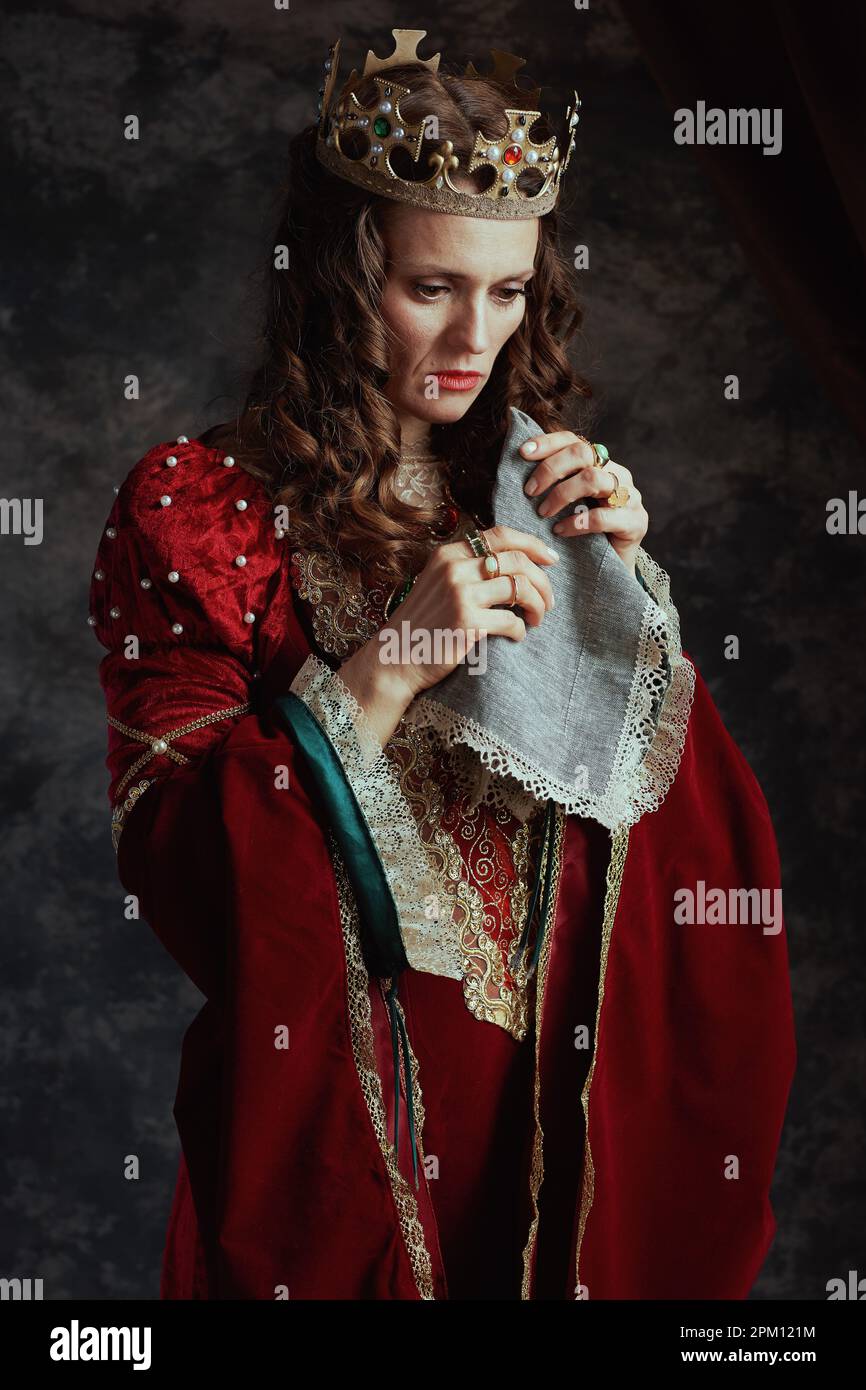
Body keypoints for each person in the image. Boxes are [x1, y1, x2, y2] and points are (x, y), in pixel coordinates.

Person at [88, 30, 796, 1300]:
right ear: (334, 277)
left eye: (509, 290)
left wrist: (630, 612)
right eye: (430, 287)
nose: (475, 335)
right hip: (345, 1133)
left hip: (559, 1141)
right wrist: (385, 669)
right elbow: (180, 876)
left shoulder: (534, 494)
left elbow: (692, 872)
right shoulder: (202, 509)